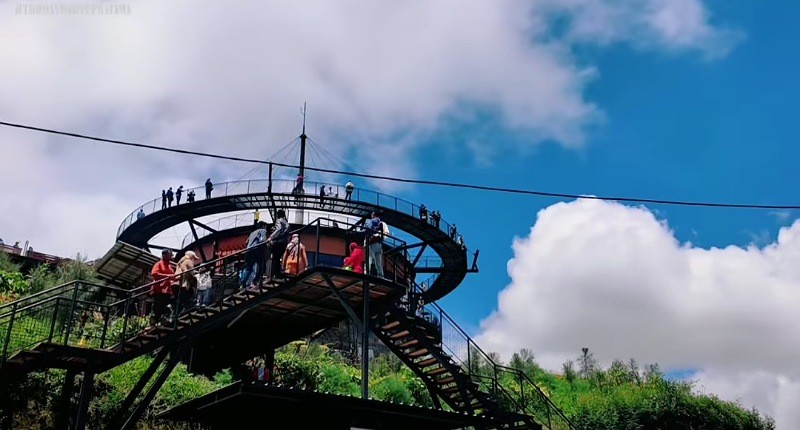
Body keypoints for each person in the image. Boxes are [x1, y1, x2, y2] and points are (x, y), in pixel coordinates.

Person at [240, 221, 269, 289]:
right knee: (262, 267)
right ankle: (254, 282)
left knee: (249, 267)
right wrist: (268, 244)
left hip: (248, 250)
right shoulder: (263, 230)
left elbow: (246, 242)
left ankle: (243, 282)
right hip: (256, 250)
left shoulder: (252, 233)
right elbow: (263, 240)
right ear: (263, 226)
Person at [150, 249, 175, 325]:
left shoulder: (169, 267)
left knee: (165, 305)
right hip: (159, 289)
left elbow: (173, 277)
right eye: (170, 254)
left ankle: (163, 319)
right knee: (158, 305)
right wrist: (167, 276)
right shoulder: (159, 264)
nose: (171, 256)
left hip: (167, 291)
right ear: (164, 255)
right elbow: (154, 273)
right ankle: (157, 320)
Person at [267, 209, 290, 280]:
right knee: (278, 258)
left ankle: (274, 275)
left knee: (275, 258)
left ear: (278, 215)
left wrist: (271, 237)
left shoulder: (279, 221)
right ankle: (278, 274)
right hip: (284, 242)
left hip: (278, 242)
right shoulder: (286, 222)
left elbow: (279, 229)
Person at [365, 212, 388, 277]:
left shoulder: (370, 221)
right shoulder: (382, 223)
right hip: (379, 244)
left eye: (372, 215)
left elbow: (368, 228)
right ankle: (381, 275)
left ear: (374, 215)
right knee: (378, 262)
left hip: (372, 242)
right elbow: (385, 233)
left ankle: (366, 272)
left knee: (369, 258)